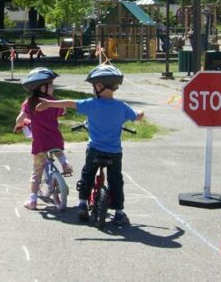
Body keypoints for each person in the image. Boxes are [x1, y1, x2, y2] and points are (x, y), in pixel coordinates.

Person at [35, 64, 145, 225]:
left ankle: (82, 204)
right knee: (116, 179)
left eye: (94, 86)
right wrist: (142, 112)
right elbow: (138, 116)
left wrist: (49, 104)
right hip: (114, 152)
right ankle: (119, 212)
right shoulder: (122, 107)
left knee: (88, 173)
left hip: (94, 150)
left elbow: (70, 103)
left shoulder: (91, 104)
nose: (93, 90)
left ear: (99, 86)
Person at [14, 67, 73, 210]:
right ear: (41, 87)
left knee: (37, 171)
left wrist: (18, 125)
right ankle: (65, 164)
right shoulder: (53, 102)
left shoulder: (29, 103)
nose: (52, 88)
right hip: (55, 139)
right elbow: (63, 111)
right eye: (50, 85)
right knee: (59, 151)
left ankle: (32, 200)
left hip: (40, 143)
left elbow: (20, 119)